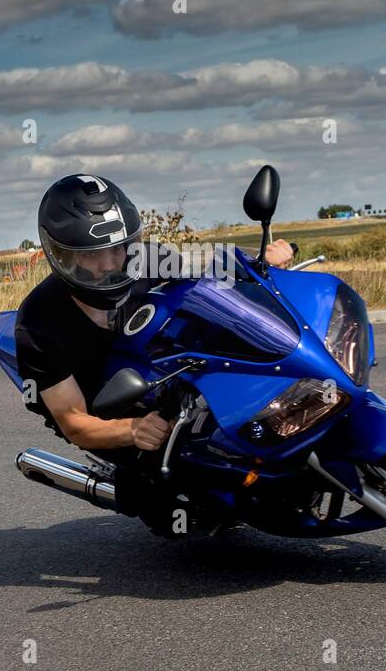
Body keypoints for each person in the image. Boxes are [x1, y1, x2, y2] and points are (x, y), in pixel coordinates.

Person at [15, 173, 292, 519]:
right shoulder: (39, 321)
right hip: (107, 408)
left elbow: (206, 262)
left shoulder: (142, 258)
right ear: (61, 256)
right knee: (168, 503)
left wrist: (257, 257)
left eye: (117, 248)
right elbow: (73, 420)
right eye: (91, 256)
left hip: (162, 373)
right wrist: (132, 429)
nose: (109, 264)